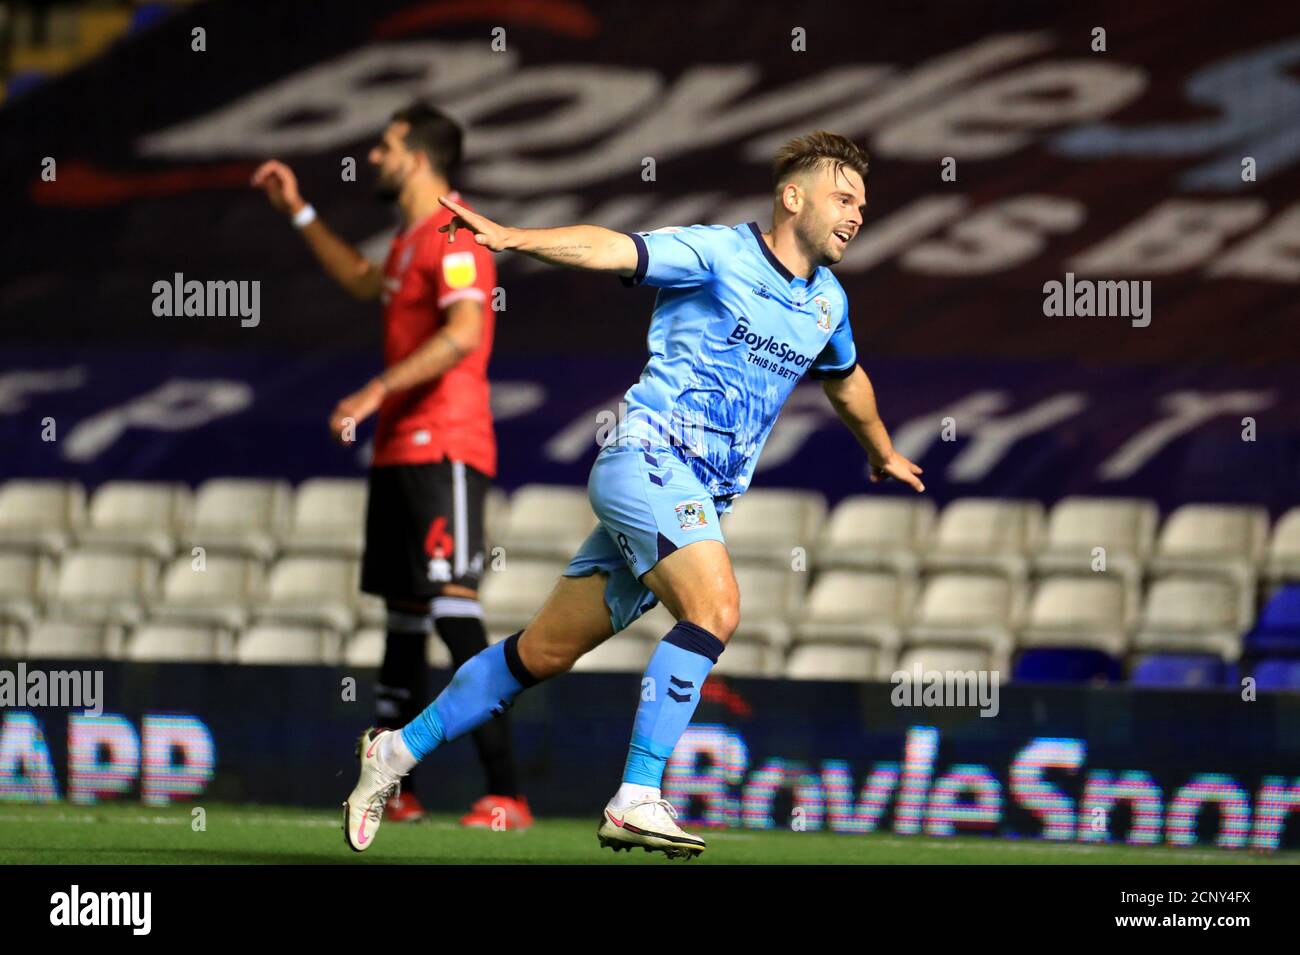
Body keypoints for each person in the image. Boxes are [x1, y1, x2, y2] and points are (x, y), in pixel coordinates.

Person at [343, 130, 923, 857]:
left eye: (863, 204)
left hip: (695, 495)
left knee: (541, 653)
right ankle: (636, 794)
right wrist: (514, 238)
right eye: (844, 196)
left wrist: (882, 451)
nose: (857, 213)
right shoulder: (718, 253)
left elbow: (847, 380)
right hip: (648, 458)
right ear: (792, 196)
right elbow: (613, 247)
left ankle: (393, 753)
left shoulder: (828, 302)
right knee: (716, 607)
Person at [252, 102, 531, 831]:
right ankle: (396, 784)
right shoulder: (411, 241)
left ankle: (508, 791)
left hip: (446, 447)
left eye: (385, 146)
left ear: (415, 156)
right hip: (400, 451)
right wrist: (300, 212)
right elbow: (360, 281)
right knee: (404, 618)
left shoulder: (455, 230)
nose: (373, 156)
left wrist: (375, 390)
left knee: (452, 610)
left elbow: (466, 330)